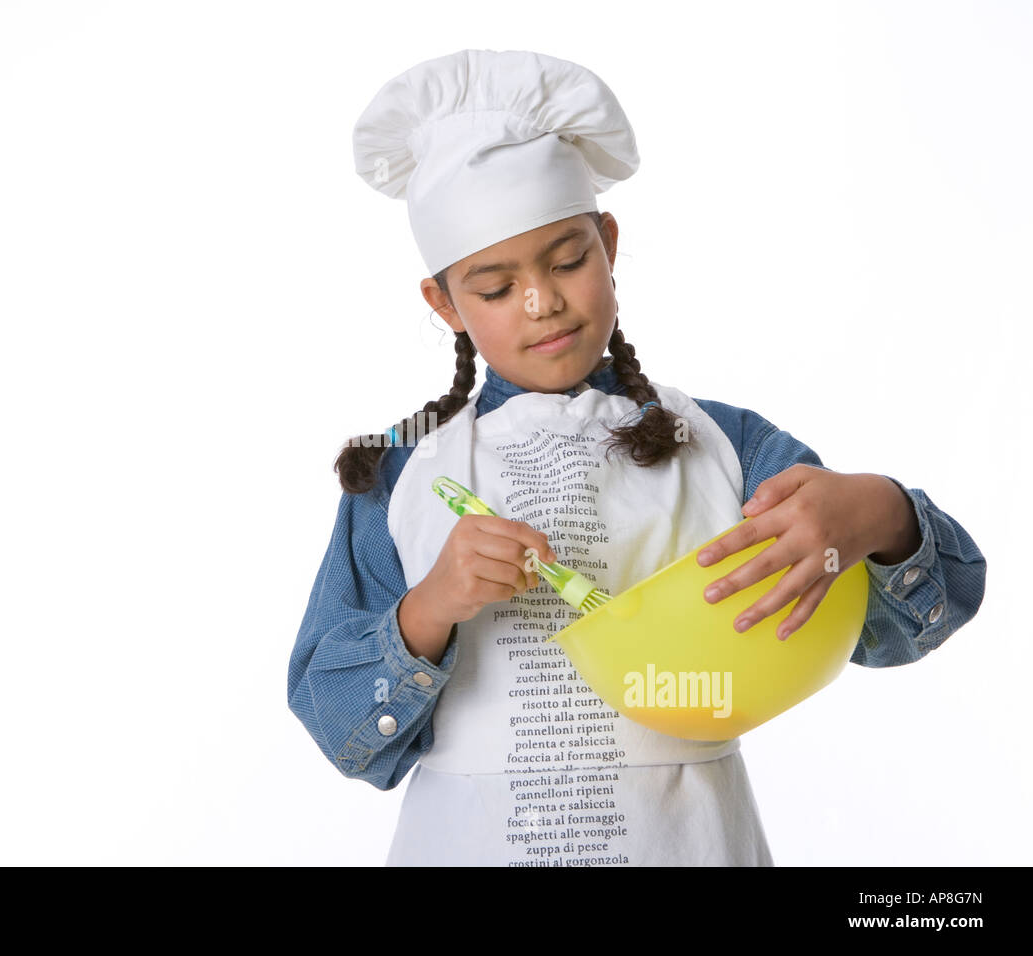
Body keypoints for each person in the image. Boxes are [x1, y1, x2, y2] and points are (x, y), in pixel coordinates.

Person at [286, 49, 988, 866]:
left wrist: (879, 513)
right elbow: (336, 726)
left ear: (609, 242)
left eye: (567, 260)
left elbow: (897, 628)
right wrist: (429, 608)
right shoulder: (402, 472)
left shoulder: (727, 445)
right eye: (495, 287)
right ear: (444, 303)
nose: (543, 302)